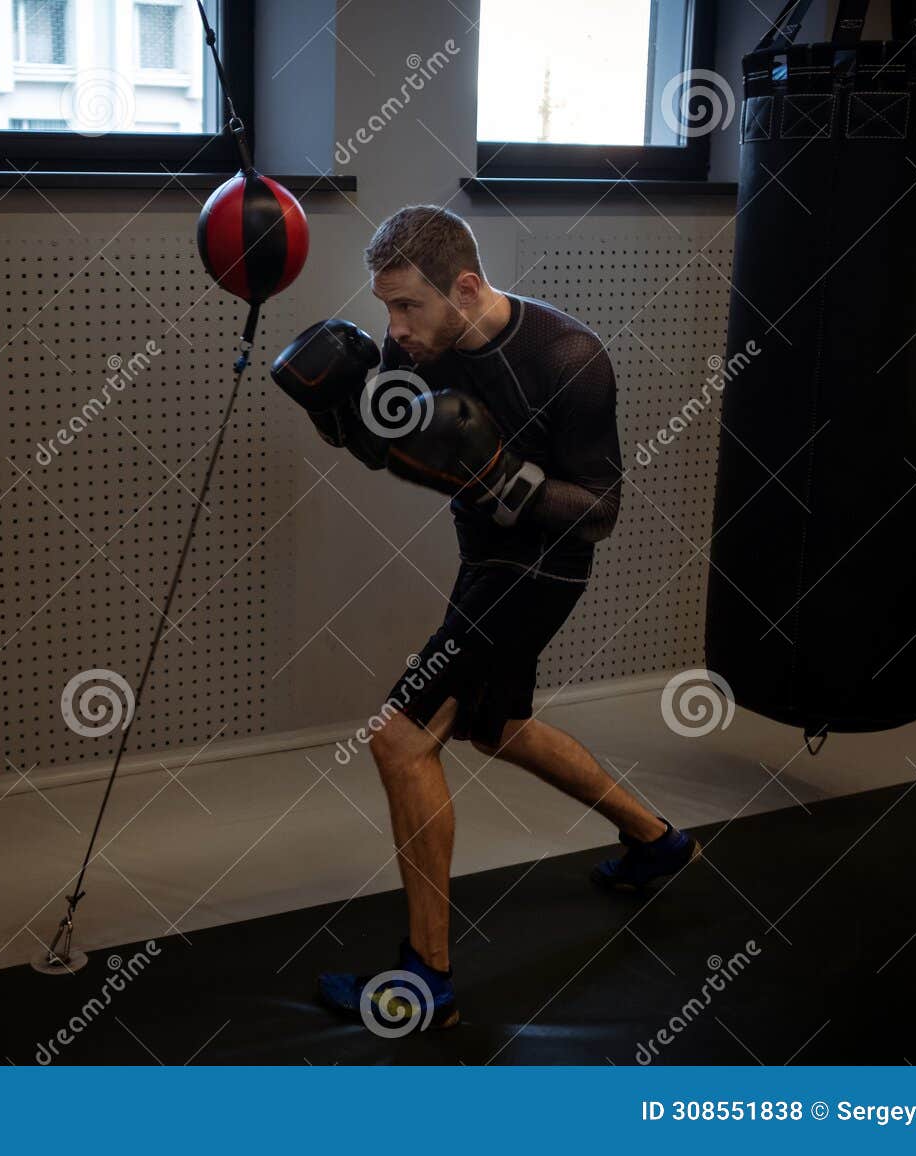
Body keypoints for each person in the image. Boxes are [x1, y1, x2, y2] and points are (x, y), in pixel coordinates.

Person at [271, 205, 700, 1032]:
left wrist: (502, 475)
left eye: (409, 307)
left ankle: (426, 980)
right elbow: (392, 446)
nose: (394, 331)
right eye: (386, 308)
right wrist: (332, 414)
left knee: (401, 737)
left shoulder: (567, 356)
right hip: (486, 563)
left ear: (465, 287)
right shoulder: (412, 352)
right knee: (497, 726)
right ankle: (656, 842)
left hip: (543, 568)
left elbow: (602, 512)